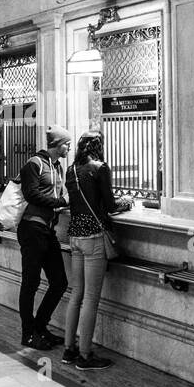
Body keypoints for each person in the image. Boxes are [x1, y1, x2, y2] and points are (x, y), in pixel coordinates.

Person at [61, 131, 132, 370]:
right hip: (93, 238)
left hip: (74, 237)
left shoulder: (71, 170)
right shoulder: (100, 168)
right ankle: (85, 356)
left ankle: (69, 350)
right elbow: (110, 206)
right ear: (99, 146)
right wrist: (127, 202)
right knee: (91, 298)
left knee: (76, 294)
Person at [17, 125, 71, 349]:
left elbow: (58, 193)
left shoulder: (58, 167)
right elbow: (30, 193)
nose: (69, 148)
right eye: (67, 144)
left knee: (59, 282)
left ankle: (40, 327)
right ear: (58, 144)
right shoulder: (34, 164)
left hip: (48, 230)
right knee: (30, 283)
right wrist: (60, 203)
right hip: (32, 229)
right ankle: (28, 334)